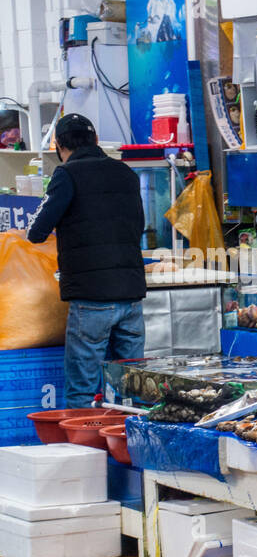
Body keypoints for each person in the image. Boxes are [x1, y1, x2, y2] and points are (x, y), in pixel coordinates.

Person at [27, 114, 147, 408]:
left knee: (82, 390)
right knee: (133, 387)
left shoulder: (67, 175)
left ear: (59, 146)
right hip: (131, 296)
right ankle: (130, 449)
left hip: (92, 299)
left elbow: (36, 232)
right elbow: (138, 225)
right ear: (95, 141)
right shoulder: (125, 173)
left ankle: (84, 451)